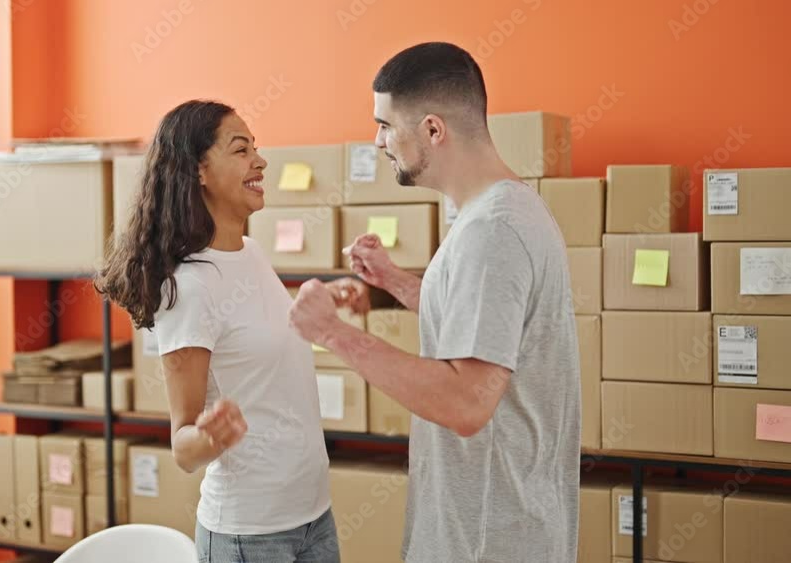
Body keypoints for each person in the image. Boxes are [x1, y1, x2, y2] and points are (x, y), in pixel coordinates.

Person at [288, 43, 580, 562]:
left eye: (385, 125)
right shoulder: (501, 210)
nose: (378, 141)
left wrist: (332, 332)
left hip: (489, 539)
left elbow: (466, 402)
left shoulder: (493, 231)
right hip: (494, 527)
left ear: (432, 130)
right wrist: (397, 282)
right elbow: (485, 327)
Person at [96, 100, 365, 562]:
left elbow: (263, 343)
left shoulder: (252, 254)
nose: (260, 161)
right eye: (241, 150)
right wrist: (212, 436)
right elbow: (183, 447)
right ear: (198, 170)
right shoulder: (190, 287)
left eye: (256, 149)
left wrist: (324, 302)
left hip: (313, 515)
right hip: (251, 536)